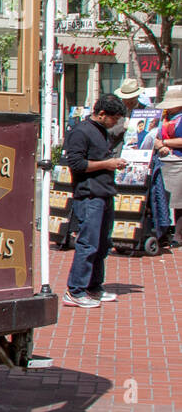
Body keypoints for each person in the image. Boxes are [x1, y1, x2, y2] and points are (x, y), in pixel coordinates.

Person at [63, 93, 128, 308]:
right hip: (89, 195)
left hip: (104, 192)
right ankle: (75, 290)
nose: (116, 123)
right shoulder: (80, 131)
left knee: (102, 244)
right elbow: (77, 163)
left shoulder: (101, 130)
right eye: (114, 118)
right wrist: (107, 164)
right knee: (88, 243)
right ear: (102, 114)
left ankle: (93, 287)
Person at [142, 85, 182, 244]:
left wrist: (163, 142)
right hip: (161, 161)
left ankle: (178, 235)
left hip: (178, 161)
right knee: (161, 197)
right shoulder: (163, 117)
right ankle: (162, 232)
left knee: (179, 200)